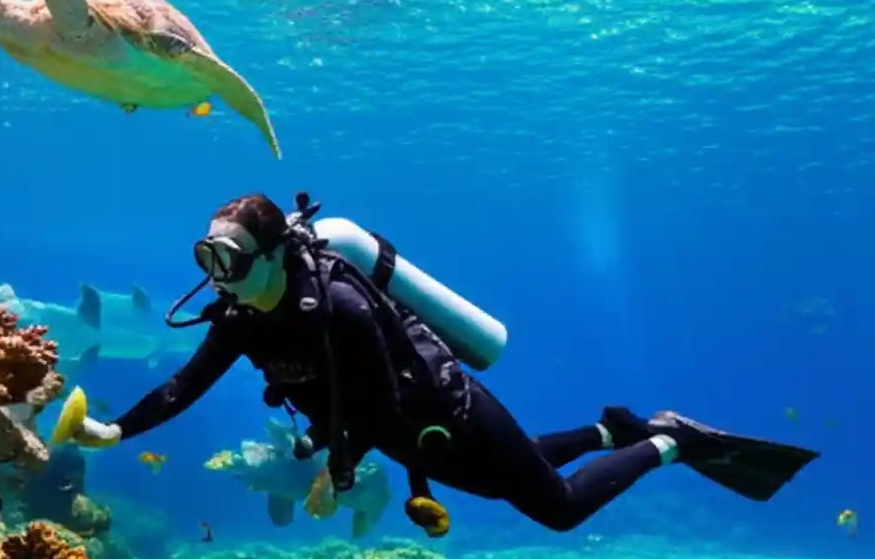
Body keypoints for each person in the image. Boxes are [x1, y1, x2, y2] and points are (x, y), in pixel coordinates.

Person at [61, 192, 820, 534]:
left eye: (227, 257)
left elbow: (383, 401)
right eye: (207, 257)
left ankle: (667, 439)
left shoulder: (341, 308)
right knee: (505, 484)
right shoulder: (237, 315)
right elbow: (182, 385)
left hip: (443, 411)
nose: (216, 274)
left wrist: (340, 463)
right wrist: (111, 430)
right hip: (397, 433)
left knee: (554, 509)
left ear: (272, 253)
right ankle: (605, 430)